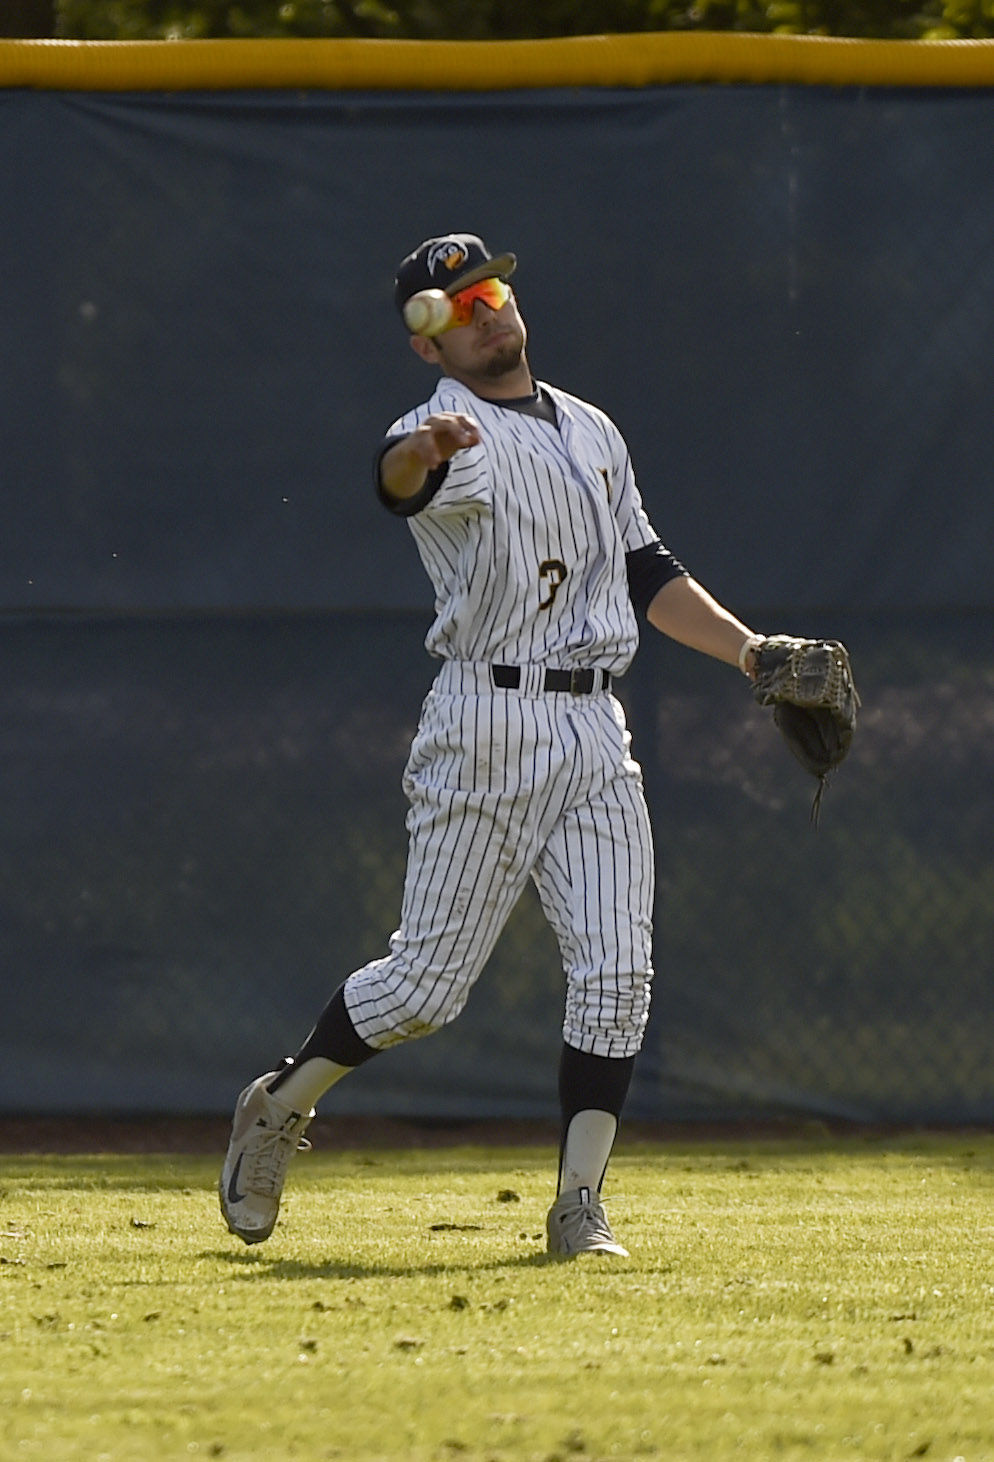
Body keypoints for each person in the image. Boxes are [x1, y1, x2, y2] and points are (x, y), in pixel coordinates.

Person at [220, 232, 766, 1258]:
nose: (482, 311)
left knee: (618, 975)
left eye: (489, 290)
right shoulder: (442, 429)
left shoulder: (593, 427)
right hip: (487, 720)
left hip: (595, 723)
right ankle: (281, 1101)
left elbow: (649, 573)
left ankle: (577, 1207)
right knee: (426, 989)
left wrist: (753, 655)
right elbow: (397, 482)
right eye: (454, 307)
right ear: (428, 344)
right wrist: (420, 458)